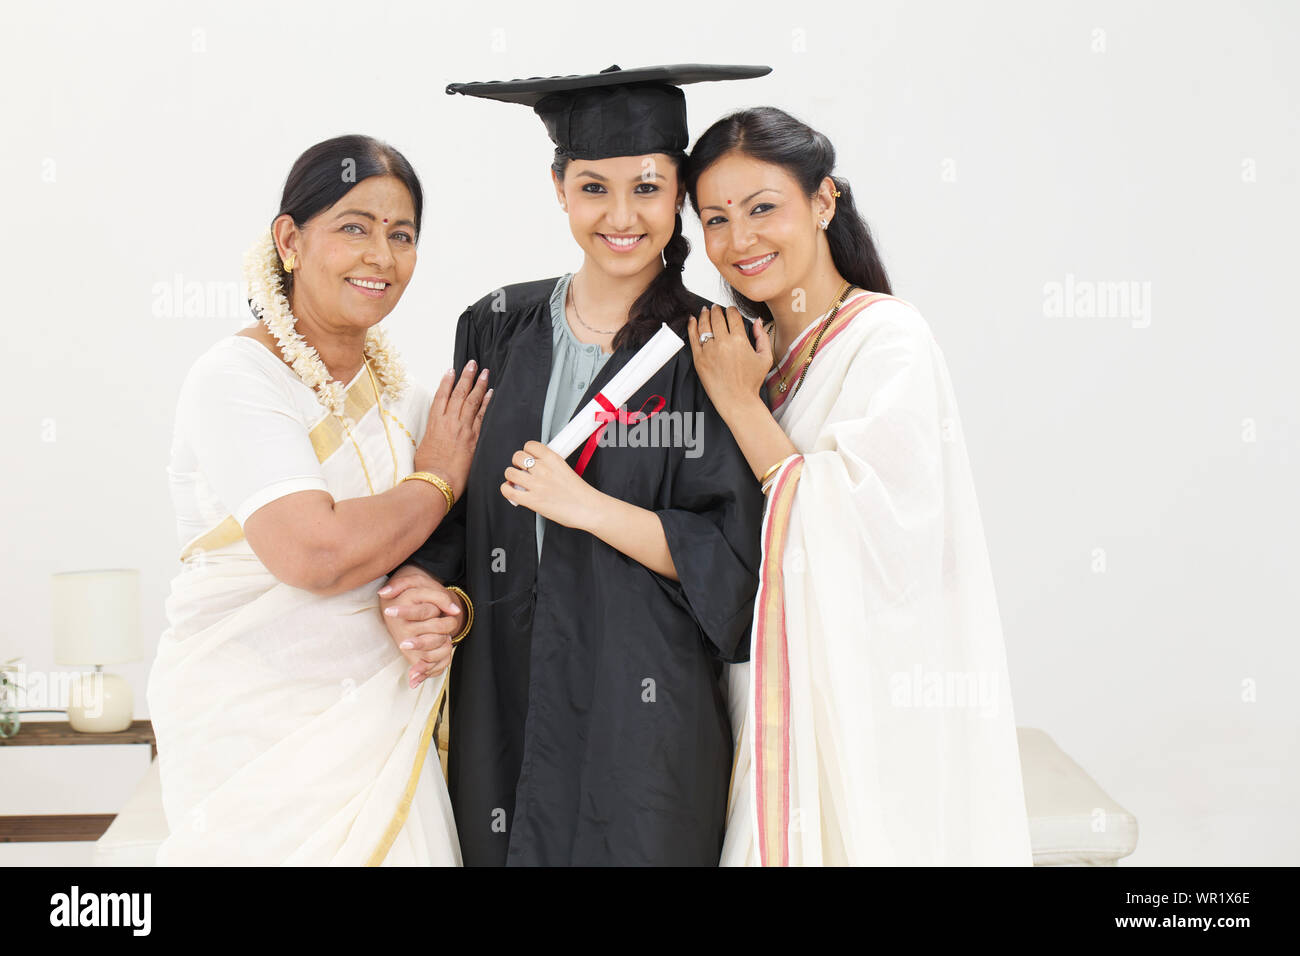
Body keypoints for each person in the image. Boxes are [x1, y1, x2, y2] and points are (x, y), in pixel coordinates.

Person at [378, 65, 769, 865]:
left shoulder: (714, 346)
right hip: (505, 693)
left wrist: (584, 505)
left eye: (648, 189)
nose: (621, 217)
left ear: (679, 195)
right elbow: (458, 509)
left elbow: (736, 572)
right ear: (559, 189)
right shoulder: (494, 326)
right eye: (593, 188)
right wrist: (425, 581)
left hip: (644, 714)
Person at [684, 107, 1033, 865]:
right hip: (764, 695)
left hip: (865, 709)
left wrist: (740, 405)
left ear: (823, 202)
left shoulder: (888, 340)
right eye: (714, 218)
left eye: (762, 208)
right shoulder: (750, 352)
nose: (739, 240)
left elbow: (869, 536)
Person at [147, 134, 490, 865]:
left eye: (402, 235)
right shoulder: (236, 379)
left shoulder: (411, 400)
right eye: (354, 227)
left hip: (382, 728)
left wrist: (442, 605)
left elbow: (456, 547)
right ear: (290, 240)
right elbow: (314, 553)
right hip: (253, 733)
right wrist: (434, 480)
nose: (381, 255)